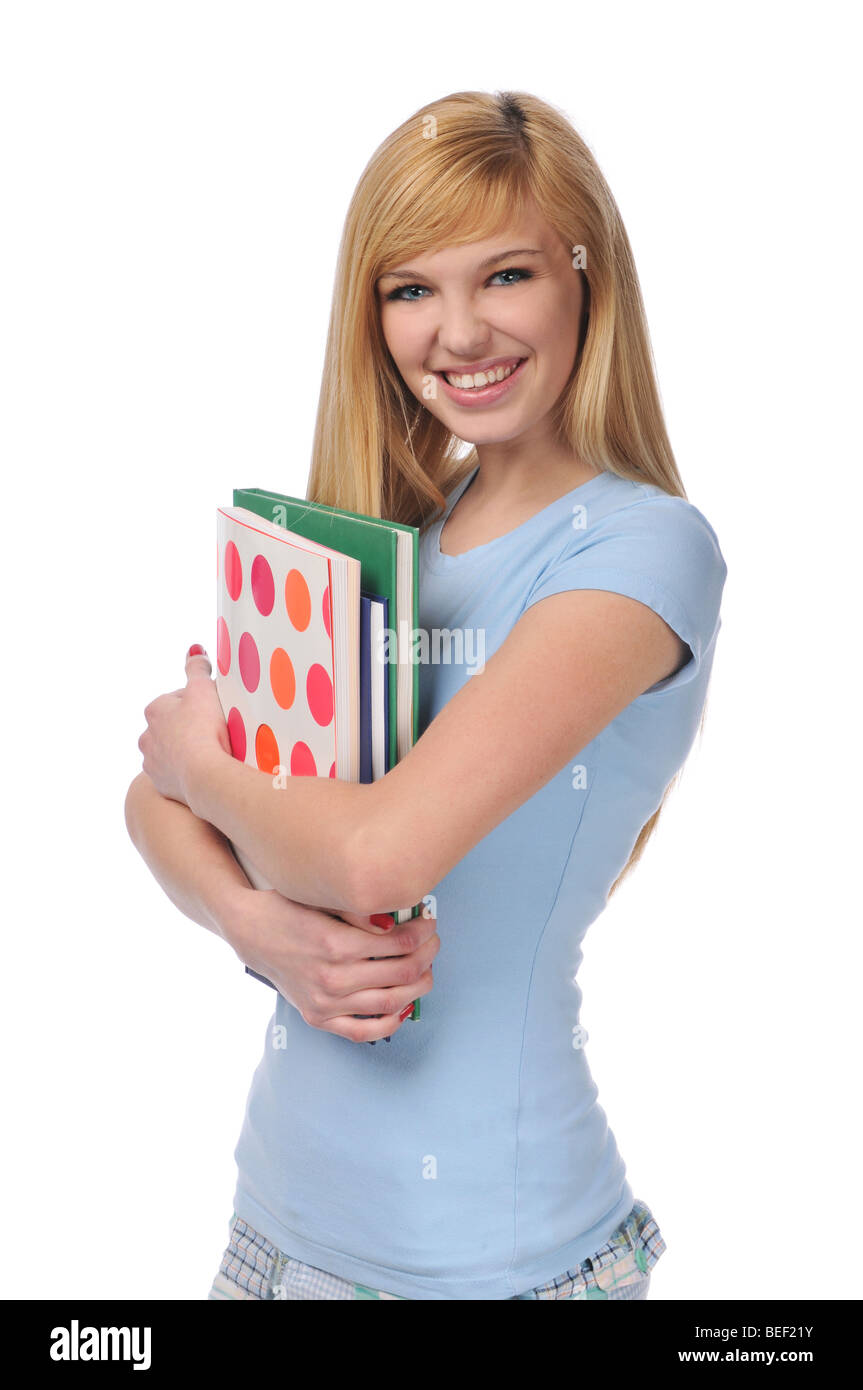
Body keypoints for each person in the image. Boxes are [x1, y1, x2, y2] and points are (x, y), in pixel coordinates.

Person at [125, 89, 727, 1301]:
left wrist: (204, 771)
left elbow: (369, 855)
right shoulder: (392, 535)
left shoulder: (640, 549)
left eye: (502, 274)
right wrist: (257, 929)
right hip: (274, 1232)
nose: (457, 332)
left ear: (583, 279)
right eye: (410, 289)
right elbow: (150, 804)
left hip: (492, 1271)